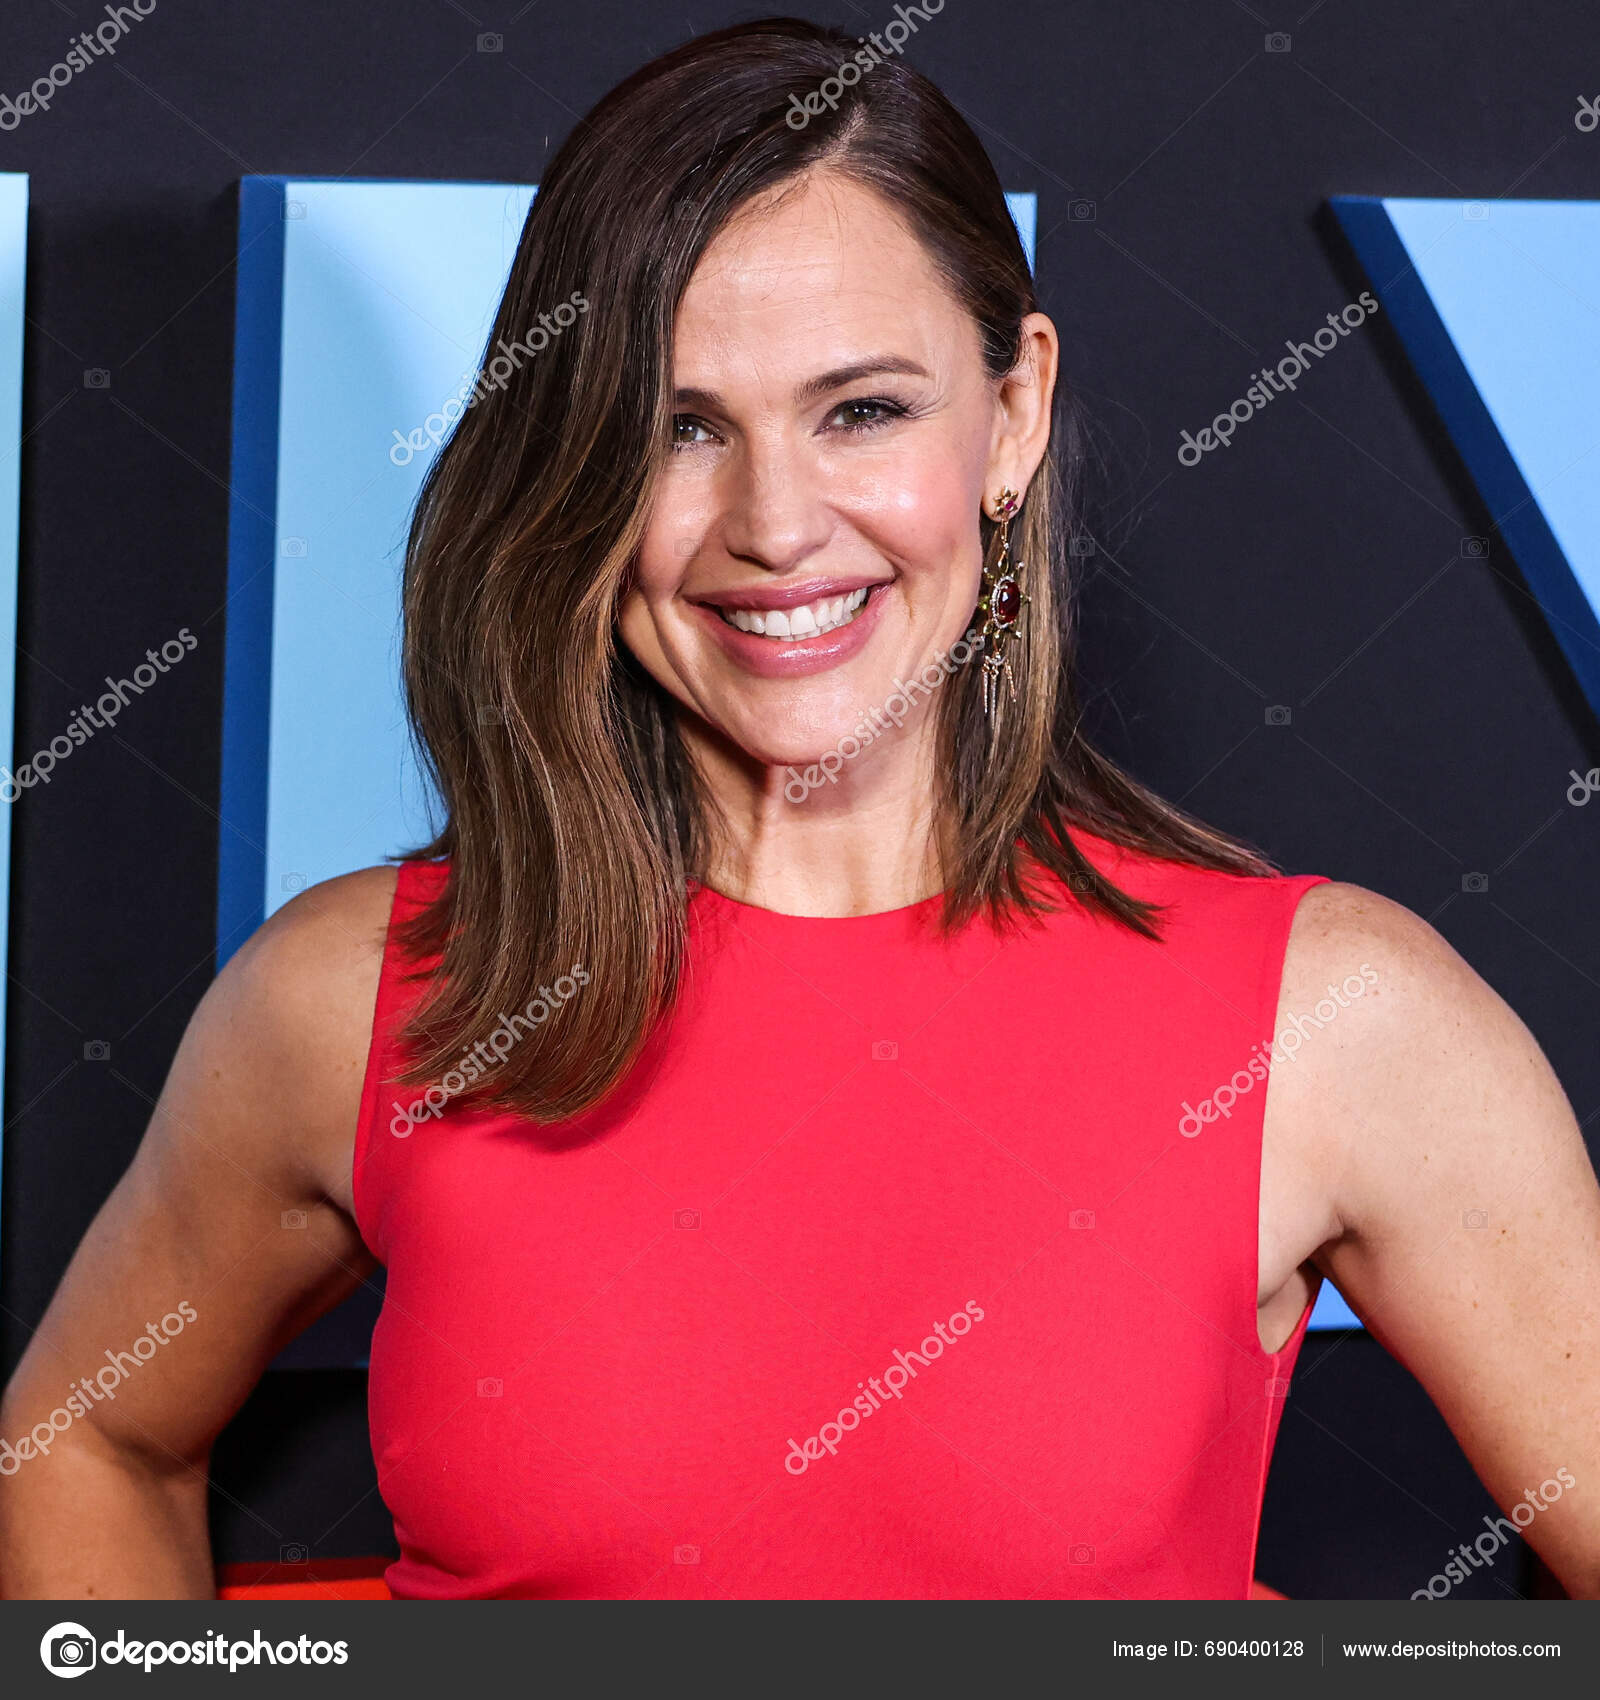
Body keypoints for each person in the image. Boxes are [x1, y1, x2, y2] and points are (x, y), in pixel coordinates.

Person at [2, 18, 1596, 1601]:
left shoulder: (1332, 1019)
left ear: (1014, 413)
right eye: (679, 426)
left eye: (863, 411)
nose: (774, 526)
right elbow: (85, 1444)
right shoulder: (358, 1001)